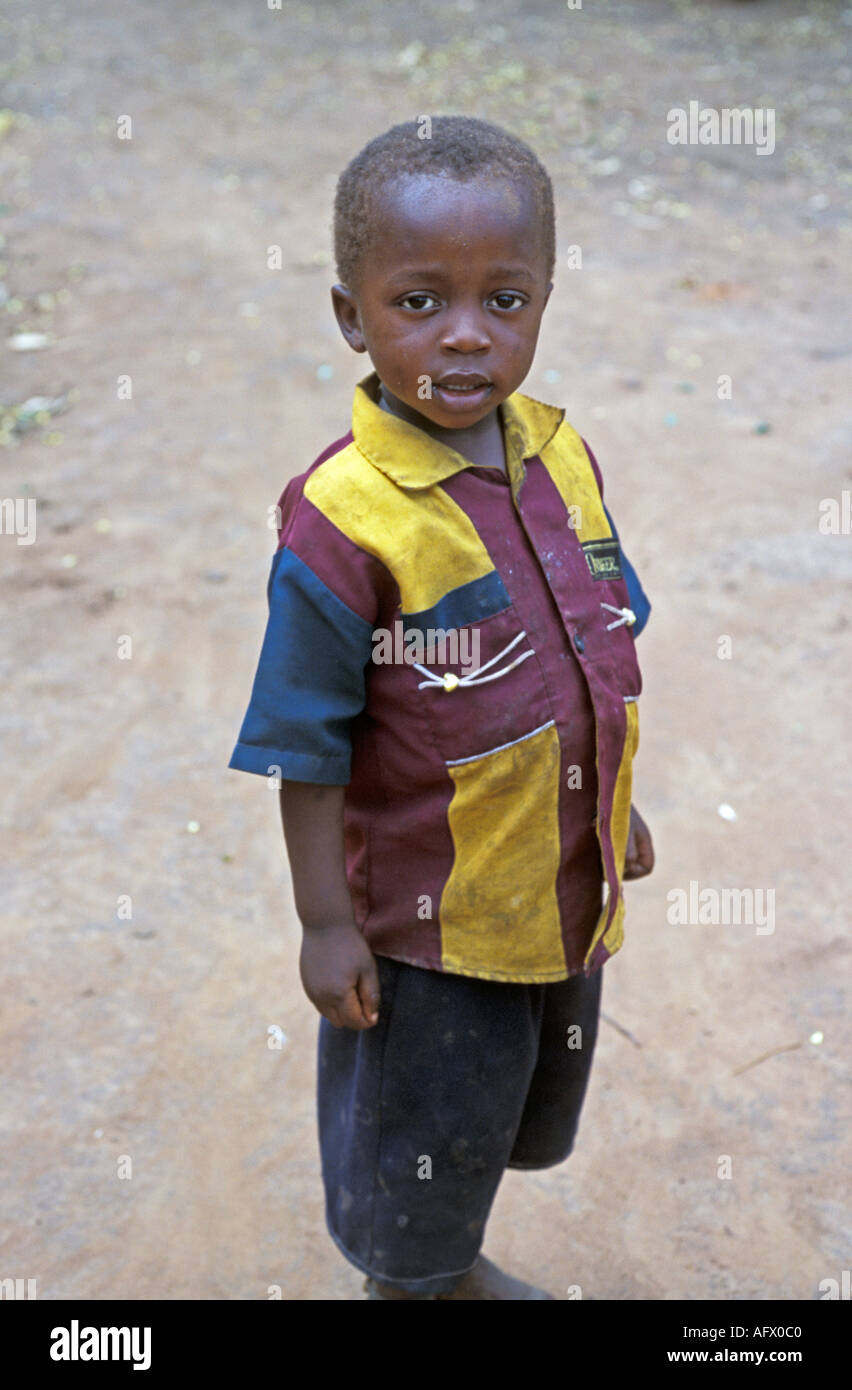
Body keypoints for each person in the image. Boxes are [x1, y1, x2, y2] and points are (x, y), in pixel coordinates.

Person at [229, 116, 655, 1300]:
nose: (467, 334)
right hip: (428, 927)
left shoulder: (560, 461)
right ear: (350, 317)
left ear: (545, 297)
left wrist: (613, 812)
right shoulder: (348, 519)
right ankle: (416, 1282)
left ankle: (445, 1263)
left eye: (505, 299)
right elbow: (305, 745)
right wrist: (325, 922)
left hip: (552, 887)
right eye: (420, 302)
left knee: (505, 1106)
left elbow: (598, 652)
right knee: (424, 1129)